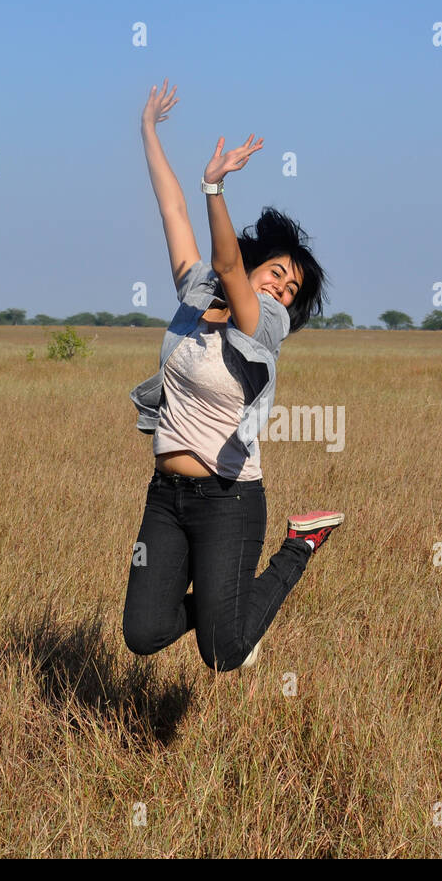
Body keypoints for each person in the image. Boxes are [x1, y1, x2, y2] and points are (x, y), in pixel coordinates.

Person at [123, 79, 343, 672]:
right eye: (276, 272)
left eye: (291, 288)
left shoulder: (264, 321)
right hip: (166, 496)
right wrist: (147, 125)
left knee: (223, 652)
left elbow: (227, 261)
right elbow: (171, 208)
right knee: (144, 634)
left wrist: (214, 186)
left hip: (230, 498)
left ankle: (301, 546)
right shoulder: (198, 294)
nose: (281, 287)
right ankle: (226, 602)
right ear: (257, 261)